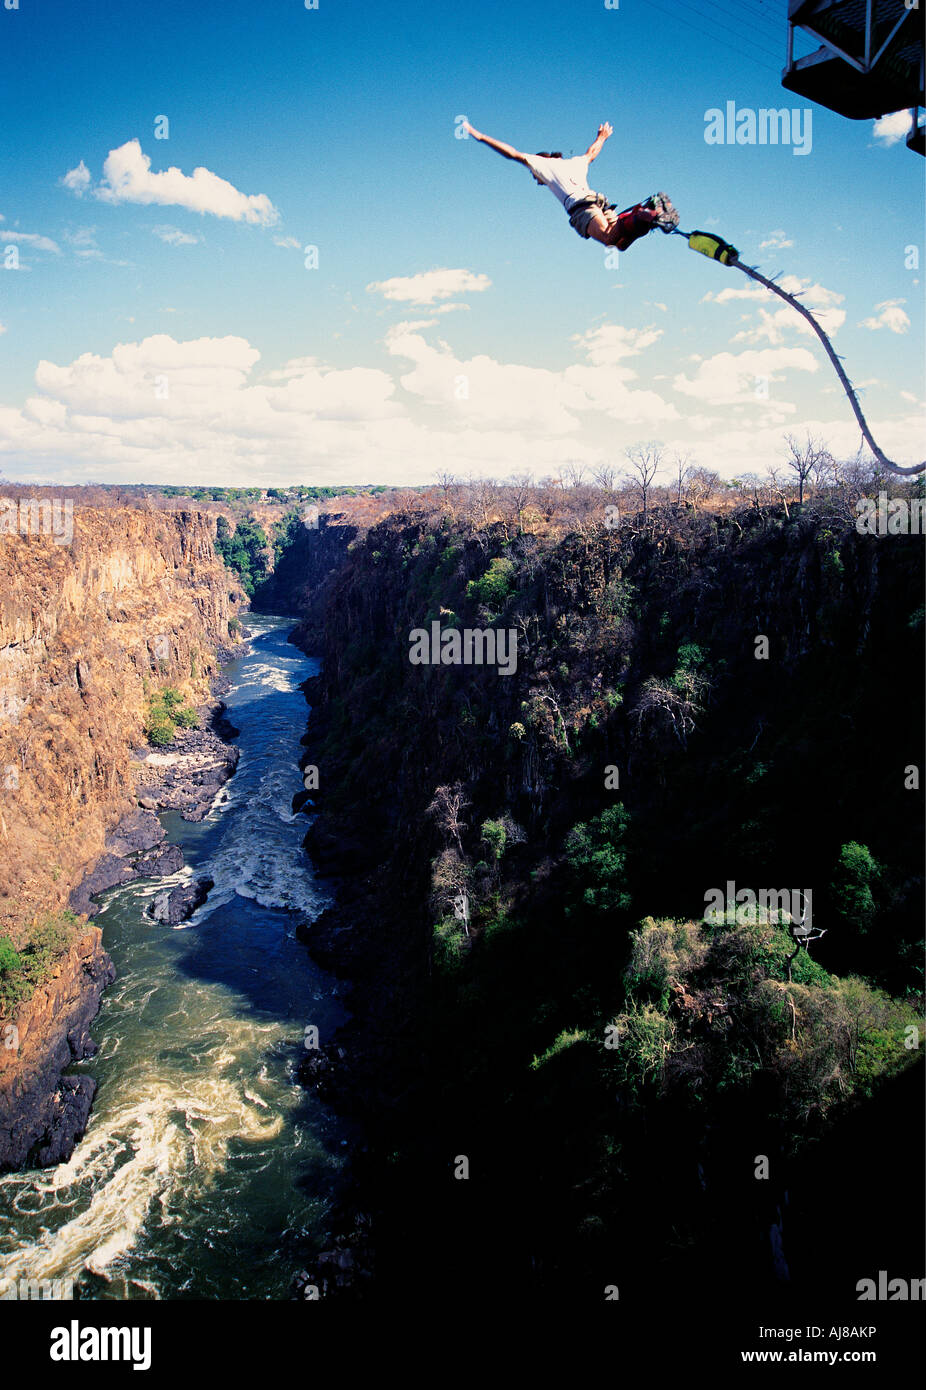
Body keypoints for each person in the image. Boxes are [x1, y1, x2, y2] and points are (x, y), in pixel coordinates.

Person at [462, 119, 678, 251]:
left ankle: (643, 213)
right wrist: (602, 137)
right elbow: (592, 153)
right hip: (600, 204)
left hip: (582, 207)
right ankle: (647, 219)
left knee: (608, 239)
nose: (537, 181)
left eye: (534, 177)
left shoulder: (542, 164)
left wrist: (481, 137)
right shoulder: (574, 163)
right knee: (619, 244)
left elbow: (513, 154)